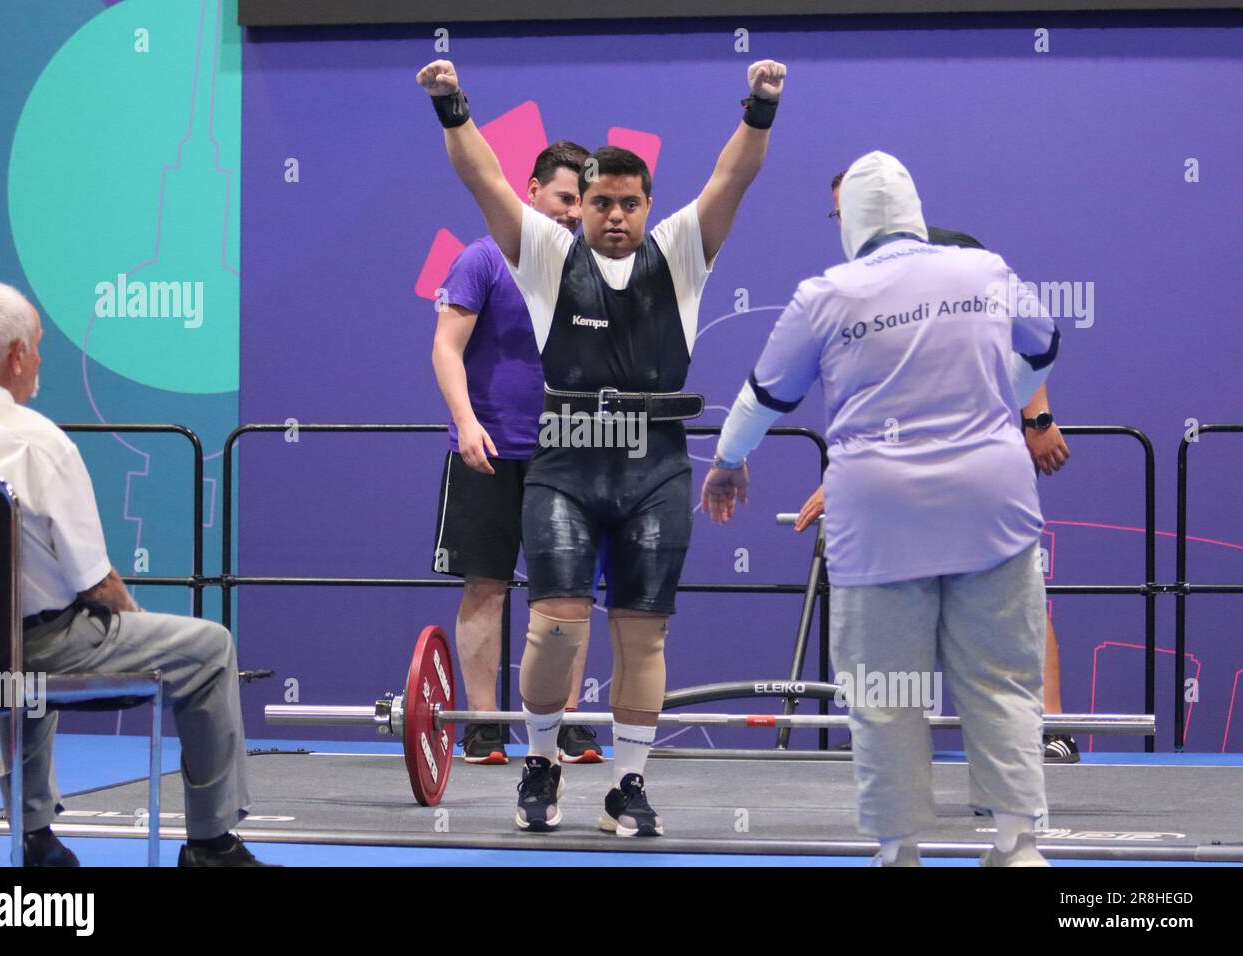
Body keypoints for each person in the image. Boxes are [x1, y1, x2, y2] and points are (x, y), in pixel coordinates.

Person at [416, 57, 786, 835]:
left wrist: (759, 107)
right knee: (555, 627)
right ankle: (543, 762)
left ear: (649, 206)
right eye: (600, 203)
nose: (614, 215)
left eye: (628, 203)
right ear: (576, 207)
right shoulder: (545, 255)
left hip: (654, 468)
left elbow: (733, 177)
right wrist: (453, 106)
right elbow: (482, 178)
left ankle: (629, 784)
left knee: (643, 634)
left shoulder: (683, 250)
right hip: (565, 466)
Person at [702, 152, 1058, 866]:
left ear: (851, 220)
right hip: (992, 507)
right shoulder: (983, 270)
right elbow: (1043, 347)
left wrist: (727, 462)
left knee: (882, 687)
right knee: (1003, 676)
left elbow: (762, 398)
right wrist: (999, 393)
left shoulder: (825, 295)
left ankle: (899, 848)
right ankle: (1017, 842)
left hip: (879, 519)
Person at [0, 281, 273, 867]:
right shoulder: (38, 444)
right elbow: (95, 585)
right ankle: (212, 844)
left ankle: (34, 837)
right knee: (209, 648)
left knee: (9, 646)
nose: (42, 359)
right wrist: (135, 624)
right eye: (39, 346)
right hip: (34, 651)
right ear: (17, 356)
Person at [796, 171, 1078, 764]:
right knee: (901, 596)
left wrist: (1037, 418)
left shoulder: (958, 256)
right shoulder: (854, 287)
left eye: (850, 208)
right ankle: (890, 733)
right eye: (836, 213)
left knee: (1010, 596)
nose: (846, 222)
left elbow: (1017, 339)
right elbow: (874, 400)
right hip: (903, 477)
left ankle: (1048, 729)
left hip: (979, 463)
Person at [431, 140, 604, 766]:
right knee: (486, 587)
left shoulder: (594, 268)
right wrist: (467, 422)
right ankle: (481, 725)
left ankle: (567, 723)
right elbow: (446, 348)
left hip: (570, 455)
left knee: (571, 592)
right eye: (562, 198)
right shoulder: (481, 260)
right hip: (489, 451)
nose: (570, 213)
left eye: (581, 203)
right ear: (530, 191)